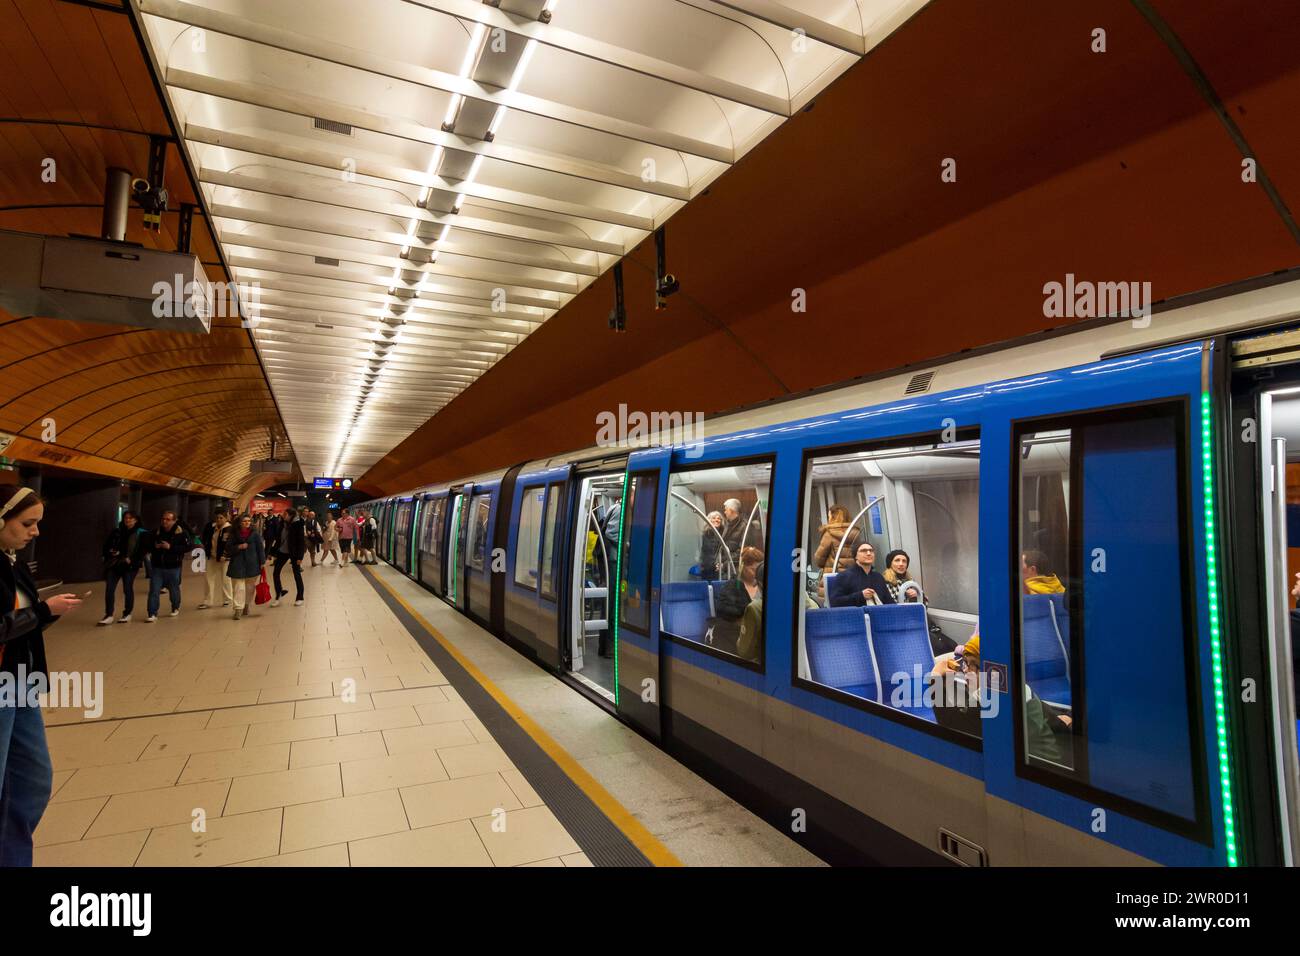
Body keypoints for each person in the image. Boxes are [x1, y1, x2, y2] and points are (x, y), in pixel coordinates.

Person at [0, 483, 83, 866]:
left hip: (20, 684)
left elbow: (22, 625)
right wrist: (43, 611)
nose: (35, 532)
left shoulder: (11, 561)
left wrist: (44, 614)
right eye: (27, 523)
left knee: (31, 780)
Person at [708, 546, 764, 656]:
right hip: (735, 633)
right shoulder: (734, 585)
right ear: (742, 567)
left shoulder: (763, 585)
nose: (755, 574)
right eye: (753, 570)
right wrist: (746, 612)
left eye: (758, 570)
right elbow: (722, 608)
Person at [99, 510, 147, 625]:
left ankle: (127, 613)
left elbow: (142, 550)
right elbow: (106, 546)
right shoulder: (117, 531)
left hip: (130, 565)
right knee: (110, 589)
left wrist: (132, 559)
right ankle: (109, 614)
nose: (128, 520)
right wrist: (111, 552)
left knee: (127, 588)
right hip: (115, 563)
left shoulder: (141, 533)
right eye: (126, 517)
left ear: (136, 520)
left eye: (131, 518)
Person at [146, 510, 189, 622]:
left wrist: (170, 547)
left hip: (173, 567)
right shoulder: (156, 532)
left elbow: (187, 547)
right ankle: (152, 613)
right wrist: (155, 546)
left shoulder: (181, 533)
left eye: (168, 519)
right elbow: (148, 545)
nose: (164, 521)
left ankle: (175, 606)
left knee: (174, 590)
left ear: (174, 521)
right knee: (154, 590)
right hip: (157, 566)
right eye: (163, 519)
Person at [225, 514, 266, 619]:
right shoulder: (233, 534)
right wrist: (239, 547)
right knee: (238, 587)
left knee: (249, 587)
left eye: (248, 521)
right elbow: (228, 549)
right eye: (244, 521)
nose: (247, 523)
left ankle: (246, 605)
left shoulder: (255, 534)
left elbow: (260, 549)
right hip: (237, 563)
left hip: (252, 563)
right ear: (239, 523)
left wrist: (262, 562)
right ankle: (238, 609)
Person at [828, 542, 894, 607]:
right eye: (863, 551)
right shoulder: (844, 576)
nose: (868, 553)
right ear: (855, 556)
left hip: (879, 615)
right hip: (856, 616)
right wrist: (860, 596)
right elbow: (835, 602)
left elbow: (889, 602)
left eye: (871, 551)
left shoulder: (878, 577)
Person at [267, 506, 306, 607]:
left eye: (285, 514)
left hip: (294, 553)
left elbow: (301, 542)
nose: (283, 516)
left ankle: (300, 597)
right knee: (276, 572)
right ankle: (279, 594)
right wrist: (271, 552)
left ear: (291, 515)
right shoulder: (282, 524)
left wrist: (300, 557)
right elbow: (278, 539)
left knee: (296, 574)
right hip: (282, 551)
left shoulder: (298, 524)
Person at [197, 511, 233, 610]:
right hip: (212, 557)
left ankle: (227, 599)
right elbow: (206, 538)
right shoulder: (212, 527)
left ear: (226, 518)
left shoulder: (229, 529)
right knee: (208, 579)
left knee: (226, 579)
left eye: (221, 518)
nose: (219, 520)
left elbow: (230, 544)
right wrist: (205, 546)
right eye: (217, 518)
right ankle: (208, 601)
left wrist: (225, 555)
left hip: (224, 559)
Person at [813, 505, 861, 575]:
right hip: (852, 575)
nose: (828, 519)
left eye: (829, 516)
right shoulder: (856, 533)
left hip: (834, 575)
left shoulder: (829, 533)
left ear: (832, 517)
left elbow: (819, 558)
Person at [697, 511, 724, 580]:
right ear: (709, 520)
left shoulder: (723, 534)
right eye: (714, 518)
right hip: (706, 568)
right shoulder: (704, 534)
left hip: (719, 569)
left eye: (719, 518)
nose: (717, 520)